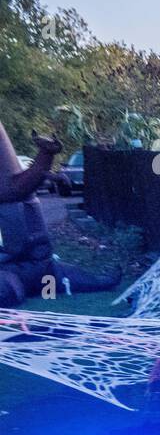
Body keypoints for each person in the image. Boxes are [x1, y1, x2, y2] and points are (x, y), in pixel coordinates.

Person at [0, 119, 120, 308]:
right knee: (8, 288)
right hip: (9, 268)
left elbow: (20, 186)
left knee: (54, 273)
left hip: (39, 261)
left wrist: (45, 165)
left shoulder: (16, 190)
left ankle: (98, 280)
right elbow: (16, 188)